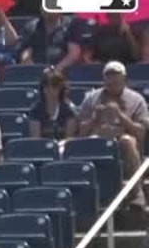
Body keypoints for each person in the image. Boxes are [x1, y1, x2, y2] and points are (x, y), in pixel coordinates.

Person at [78, 62, 148, 212]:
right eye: (109, 79)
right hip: (98, 141)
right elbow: (81, 133)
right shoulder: (91, 98)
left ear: (124, 79)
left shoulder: (137, 100)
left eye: (116, 79)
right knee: (87, 143)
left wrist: (121, 116)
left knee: (127, 141)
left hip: (125, 142)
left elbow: (142, 132)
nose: (112, 83)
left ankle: (136, 194)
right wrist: (95, 118)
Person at [21, 11, 86, 70]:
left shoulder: (71, 25)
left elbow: (73, 53)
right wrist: (27, 60)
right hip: (36, 72)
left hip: (64, 73)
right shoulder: (31, 26)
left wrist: (56, 70)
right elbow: (27, 50)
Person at [28, 69, 79, 142]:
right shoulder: (36, 110)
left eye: (56, 86)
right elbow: (36, 140)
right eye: (47, 85)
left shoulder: (70, 110)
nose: (50, 89)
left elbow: (68, 140)